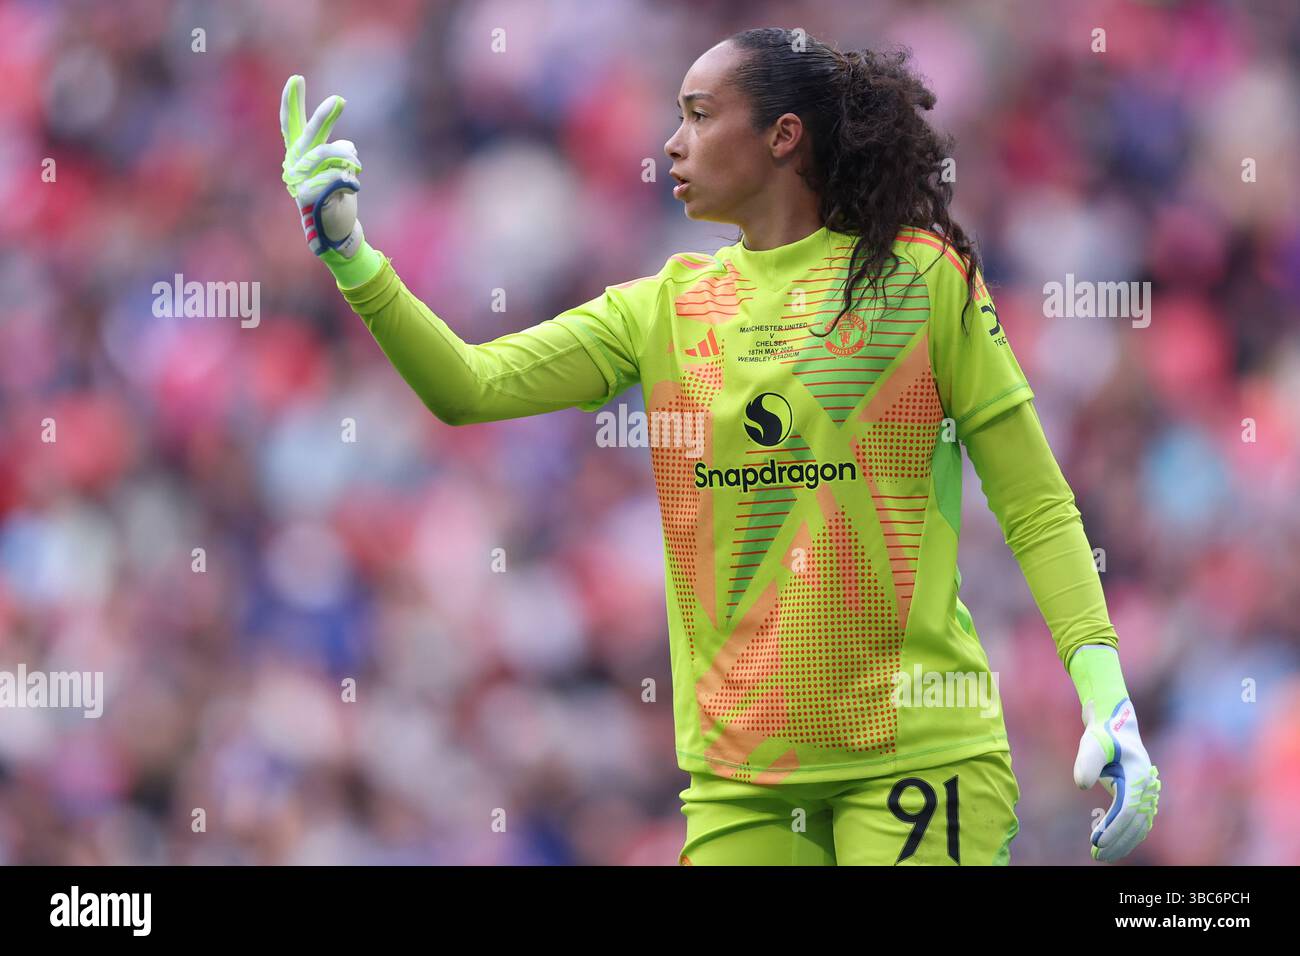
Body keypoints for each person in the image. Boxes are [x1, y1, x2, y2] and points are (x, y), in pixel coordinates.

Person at [278, 26, 1160, 865]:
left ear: (782, 136)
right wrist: (352, 253)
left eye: (699, 115)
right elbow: (467, 388)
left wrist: (1105, 695)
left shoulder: (921, 277)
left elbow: (1035, 502)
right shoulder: (662, 307)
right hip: (741, 782)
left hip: (917, 758)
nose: (671, 142)